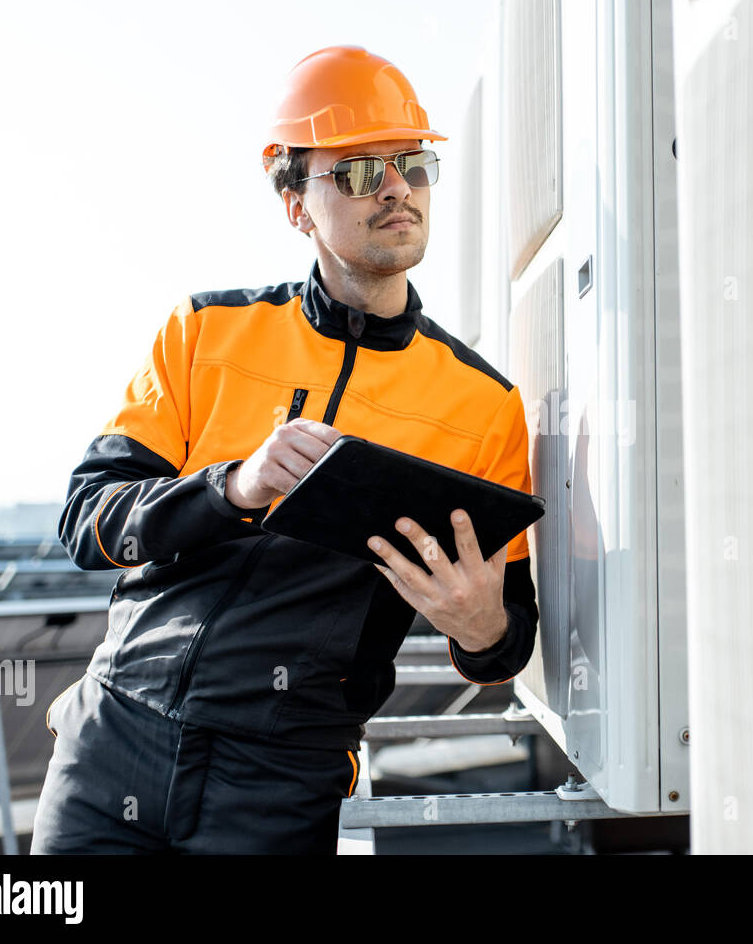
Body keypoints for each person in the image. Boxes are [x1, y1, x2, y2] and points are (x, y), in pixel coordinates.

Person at [31, 45, 540, 854]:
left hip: (277, 781)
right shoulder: (202, 333)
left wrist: (480, 627)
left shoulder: (484, 406)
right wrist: (230, 487)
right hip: (112, 743)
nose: (398, 187)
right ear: (295, 200)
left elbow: (505, 642)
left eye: (412, 162)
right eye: (360, 170)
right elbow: (88, 520)